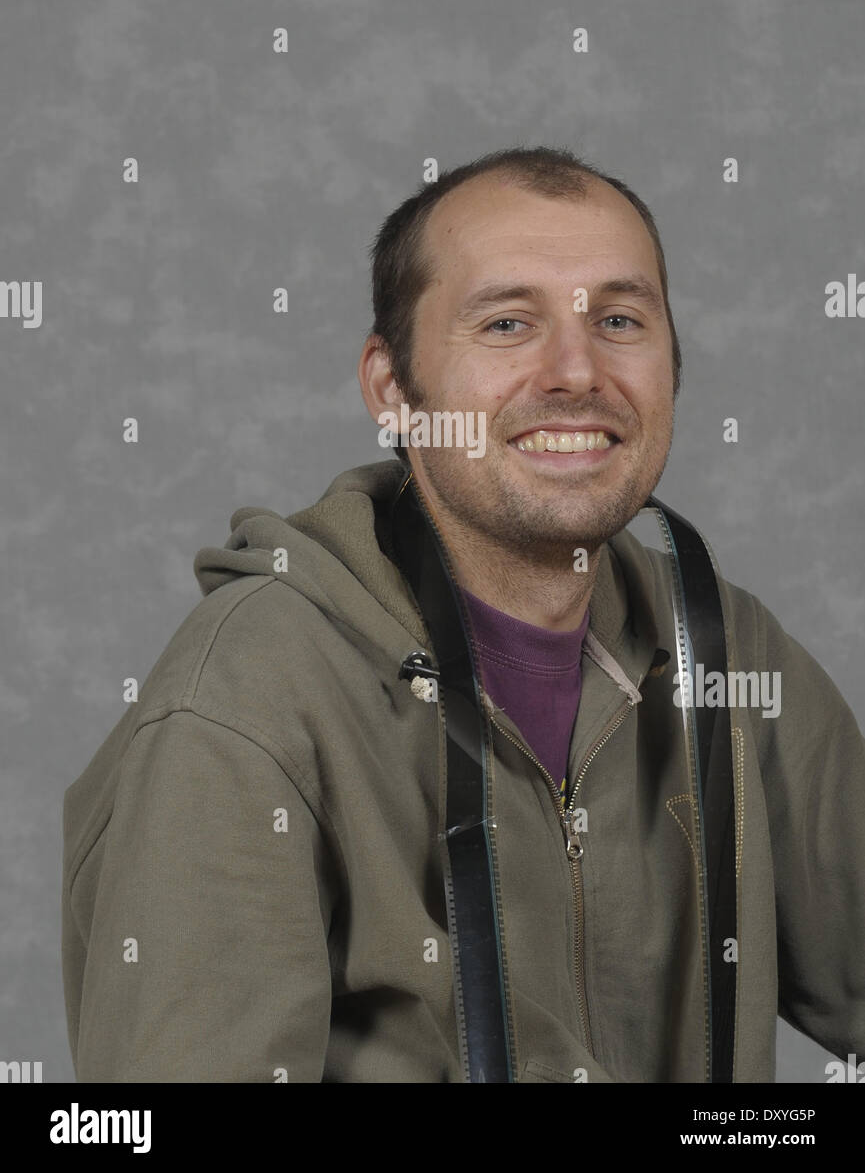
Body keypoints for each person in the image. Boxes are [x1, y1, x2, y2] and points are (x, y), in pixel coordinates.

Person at [61, 146, 865, 1083]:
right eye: (508, 323)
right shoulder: (242, 705)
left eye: (617, 318)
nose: (576, 372)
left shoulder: (721, 651)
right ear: (391, 390)